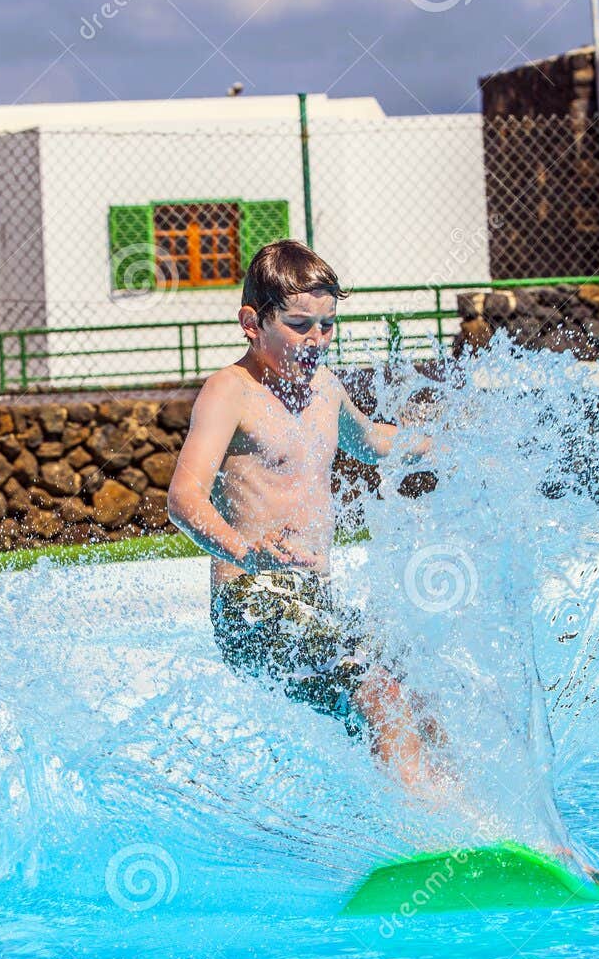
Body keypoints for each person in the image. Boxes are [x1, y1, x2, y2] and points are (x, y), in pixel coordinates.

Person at [166, 239, 444, 791]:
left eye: (327, 325)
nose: (316, 340)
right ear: (252, 322)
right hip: (251, 604)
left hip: (314, 603)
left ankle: (468, 814)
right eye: (299, 325)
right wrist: (248, 552)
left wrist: (443, 442)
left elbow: (371, 444)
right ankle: (434, 831)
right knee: (377, 690)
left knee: (416, 686)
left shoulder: (323, 389)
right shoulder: (230, 391)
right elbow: (184, 497)